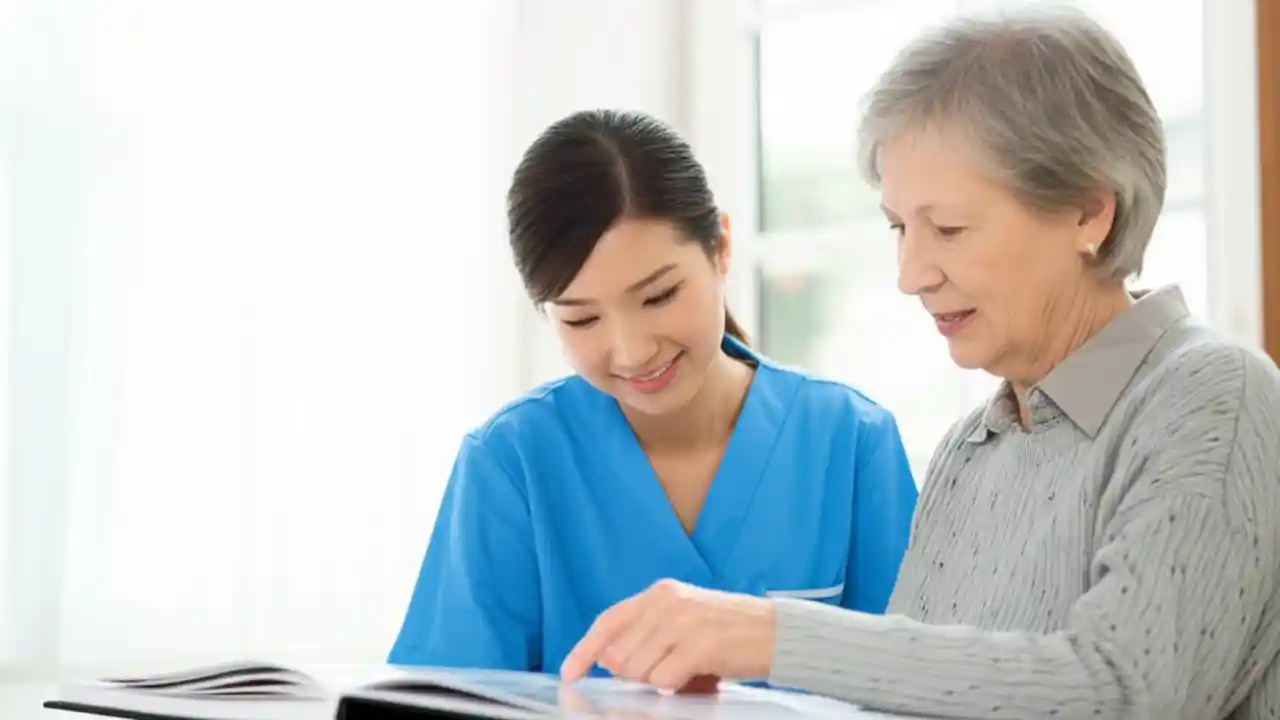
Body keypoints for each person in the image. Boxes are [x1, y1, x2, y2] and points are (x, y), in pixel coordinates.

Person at [560, 8, 1280, 719]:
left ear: (1090, 214)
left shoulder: (1214, 394)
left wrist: (770, 635)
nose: (911, 274)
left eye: (949, 228)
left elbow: (1131, 692)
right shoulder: (974, 449)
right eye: (901, 227)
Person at [387, 109, 919, 676]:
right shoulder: (511, 462)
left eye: (659, 296)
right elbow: (446, 699)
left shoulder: (850, 441)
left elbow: (918, 684)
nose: (633, 351)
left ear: (720, 247)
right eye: (582, 320)